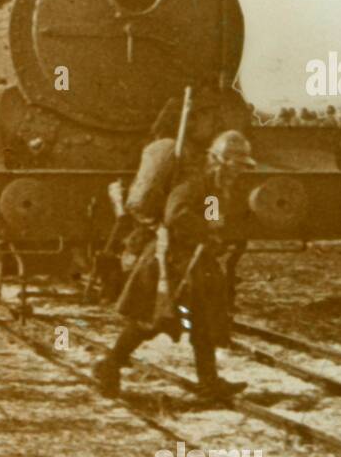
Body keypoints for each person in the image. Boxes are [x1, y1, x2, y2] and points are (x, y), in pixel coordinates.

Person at [91, 129, 256, 403]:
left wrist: (215, 235)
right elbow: (175, 215)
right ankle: (109, 364)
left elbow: (211, 218)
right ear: (220, 161)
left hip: (196, 263)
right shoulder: (194, 184)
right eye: (236, 166)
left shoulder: (215, 188)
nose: (239, 172)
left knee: (202, 324)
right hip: (170, 263)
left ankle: (209, 382)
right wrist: (205, 228)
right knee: (151, 321)